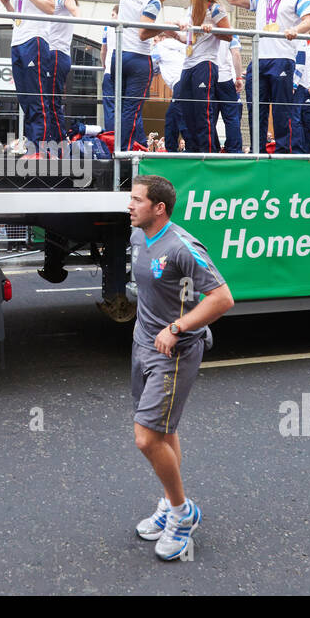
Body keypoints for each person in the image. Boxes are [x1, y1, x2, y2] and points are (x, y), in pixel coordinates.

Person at [127, 174, 234, 561]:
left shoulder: (183, 247)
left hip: (174, 351)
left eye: (137, 200)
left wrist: (177, 327)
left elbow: (222, 299)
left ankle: (182, 514)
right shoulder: (139, 236)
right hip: (143, 345)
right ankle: (171, 501)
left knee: (146, 437)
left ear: (159, 208)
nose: (129, 205)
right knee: (163, 430)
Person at [226, 0, 310, 154]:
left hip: (282, 57)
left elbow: (309, 21)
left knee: (281, 111)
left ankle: (284, 153)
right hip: (259, 60)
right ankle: (257, 151)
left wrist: (295, 29)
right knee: (255, 109)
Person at [158, 0, 231, 153]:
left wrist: (212, 29)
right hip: (189, 64)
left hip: (205, 64)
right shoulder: (191, 9)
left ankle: (207, 154)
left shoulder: (214, 8)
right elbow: (188, 40)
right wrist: (173, 33)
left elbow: (229, 36)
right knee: (184, 110)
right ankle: (192, 151)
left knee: (202, 112)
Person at [0, 0, 60, 152]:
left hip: (35, 40)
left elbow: (50, 7)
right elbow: (20, 17)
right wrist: (8, 4)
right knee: (24, 97)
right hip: (18, 41)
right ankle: (32, 145)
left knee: (37, 96)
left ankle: (39, 148)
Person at [114, 0, 170, 150]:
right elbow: (144, 32)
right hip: (138, 59)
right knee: (132, 108)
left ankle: (116, 146)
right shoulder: (153, 1)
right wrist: (167, 27)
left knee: (119, 105)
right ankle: (123, 149)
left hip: (120, 55)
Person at [44, 0, 80, 133]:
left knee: (52, 101)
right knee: (45, 101)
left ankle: (59, 140)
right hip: (48, 52)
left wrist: (75, 12)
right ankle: (49, 139)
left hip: (57, 53)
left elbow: (74, 10)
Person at [215, 33, 246, 153]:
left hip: (209, 76)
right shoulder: (231, 31)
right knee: (232, 118)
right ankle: (234, 150)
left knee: (209, 117)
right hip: (226, 77)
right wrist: (239, 78)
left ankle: (212, 148)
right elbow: (236, 54)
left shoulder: (206, 29)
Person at [100, 5, 120, 133]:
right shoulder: (129, 27)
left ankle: (111, 135)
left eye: (113, 14)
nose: (111, 17)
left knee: (109, 106)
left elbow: (103, 49)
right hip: (124, 70)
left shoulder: (107, 27)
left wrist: (104, 64)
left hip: (109, 70)